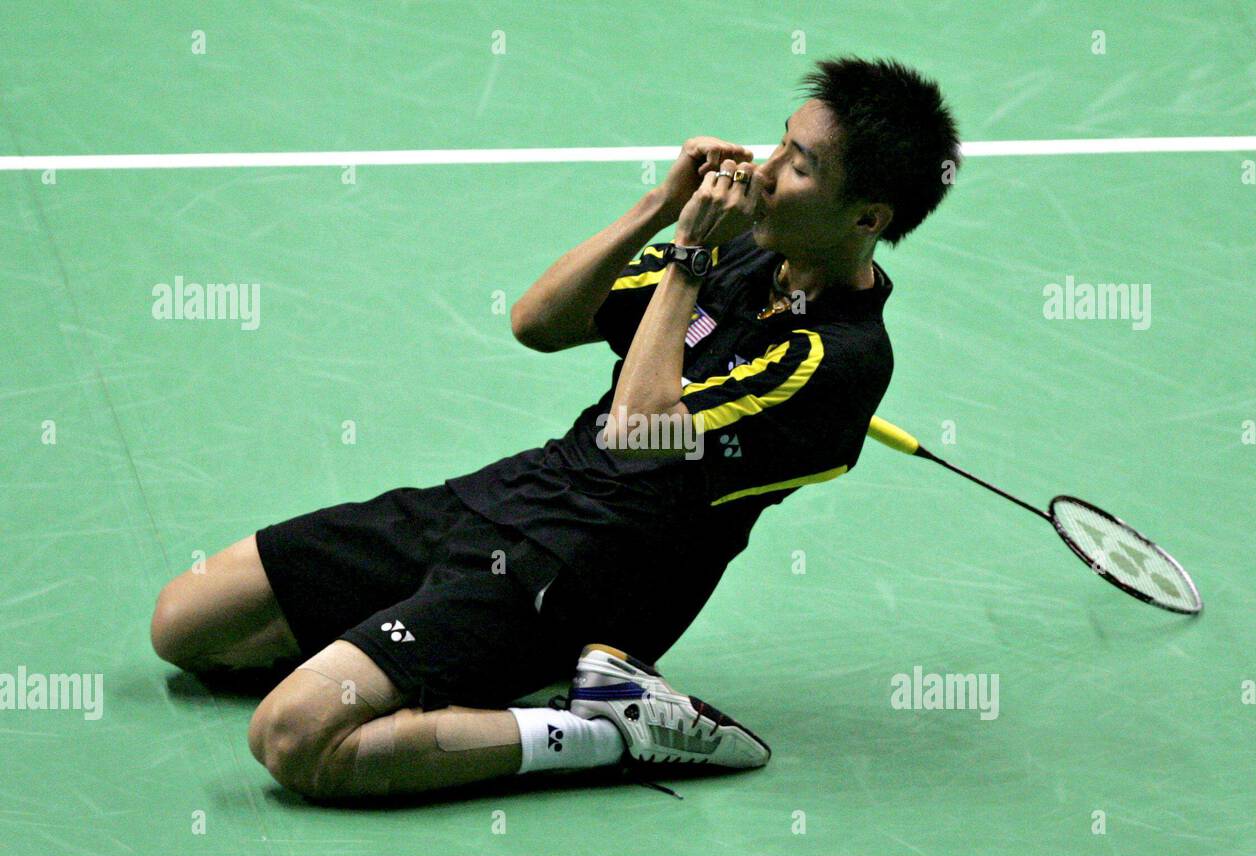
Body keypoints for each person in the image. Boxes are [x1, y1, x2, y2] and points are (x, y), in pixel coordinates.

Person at [150, 56, 961, 801]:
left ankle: (608, 731)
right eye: (781, 144)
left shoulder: (836, 359)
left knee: (295, 740)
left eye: (801, 165)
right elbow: (539, 323)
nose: (766, 171)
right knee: (187, 623)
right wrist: (659, 207)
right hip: (518, 493)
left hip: (592, 570)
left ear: (866, 217)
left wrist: (688, 258)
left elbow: (636, 433)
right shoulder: (752, 254)